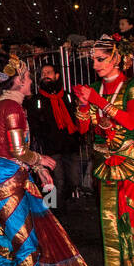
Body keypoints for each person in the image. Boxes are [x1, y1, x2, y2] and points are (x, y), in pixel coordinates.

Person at [0, 55, 85, 266]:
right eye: (27, 75)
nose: (31, 80)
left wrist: (36, 168)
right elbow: (17, 151)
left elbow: (1, 150)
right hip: (7, 190)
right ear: (18, 81)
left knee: (3, 246)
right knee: (26, 248)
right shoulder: (13, 109)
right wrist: (40, 160)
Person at [73, 35, 134, 266]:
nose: (95, 65)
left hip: (131, 160)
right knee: (112, 225)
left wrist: (97, 100)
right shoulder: (95, 87)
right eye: (93, 60)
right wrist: (84, 105)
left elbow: (132, 120)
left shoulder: (132, 86)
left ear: (116, 58)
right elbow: (83, 130)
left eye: (100, 59)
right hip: (105, 163)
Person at [27, 63, 83, 207]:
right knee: (55, 180)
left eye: (49, 72)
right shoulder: (36, 100)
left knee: (74, 180)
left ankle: (61, 204)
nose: (46, 76)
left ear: (57, 76)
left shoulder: (68, 97)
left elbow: (76, 118)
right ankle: (50, 209)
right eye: (43, 73)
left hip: (70, 145)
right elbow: (34, 125)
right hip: (50, 147)